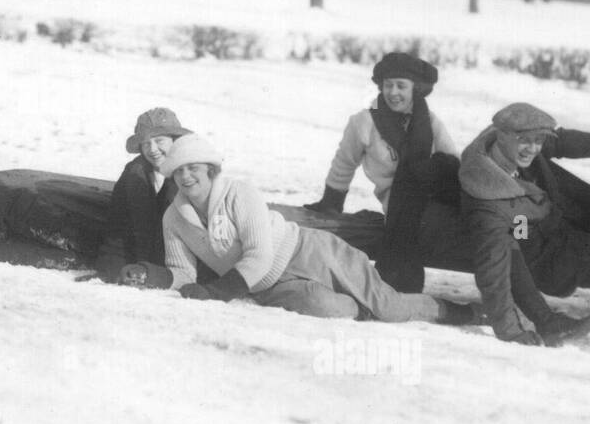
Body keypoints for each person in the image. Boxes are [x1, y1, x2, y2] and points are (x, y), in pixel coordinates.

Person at [155, 136, 476, 324]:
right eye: (178, 172)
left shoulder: (239, 193)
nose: (186, 178)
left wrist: (214, 293)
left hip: (308, 251)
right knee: (334, 311)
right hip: (269, 286)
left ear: (210, 170)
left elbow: (257, 257)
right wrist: (148, 275)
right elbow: (182, 272)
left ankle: (451, 311)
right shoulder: (174, 218)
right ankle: (362, 306)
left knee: (387, 307)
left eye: (193, 168)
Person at [458, 103, 590, 347]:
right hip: (543, 250)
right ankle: (548, 322)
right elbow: (493, 273)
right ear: (502, 135)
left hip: (544, 218)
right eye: (525, 140)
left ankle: (548, 322)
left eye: (538, 140)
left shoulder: (502, 145)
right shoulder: (488, 201)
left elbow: (558, 141)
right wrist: (510, 332)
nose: (533, 148)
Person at [303, 52, 464, 292]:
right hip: (398, 207)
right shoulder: (364, 122)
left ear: (415, 89)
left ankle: (519, 235)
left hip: (436, 202)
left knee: (509, 230)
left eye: (401, 86)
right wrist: (331, 203)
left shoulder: (429, 121)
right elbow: (344, 163)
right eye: (388, 85)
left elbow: (454, 164)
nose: (393, 93)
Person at [96, 107, 192, 288]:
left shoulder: (192, 176)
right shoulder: (134, 174)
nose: (153, 149)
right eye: (146, 143)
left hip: (179, 269)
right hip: (137, 267)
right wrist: (114, 272)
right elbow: (115, 233)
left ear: (175, 141)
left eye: (159, 141)